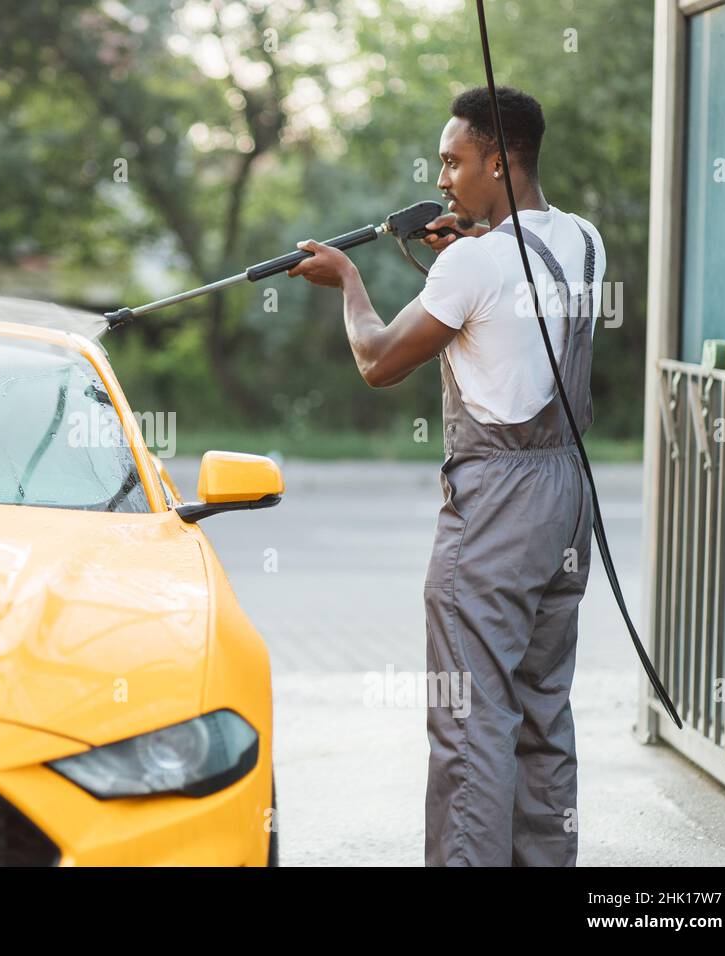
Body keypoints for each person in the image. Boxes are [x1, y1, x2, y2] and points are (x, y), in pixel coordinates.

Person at [287, 85, 606, 866]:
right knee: (539, 710)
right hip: (567, 492)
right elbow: (513, 315)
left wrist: (350, 284)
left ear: (499, 161)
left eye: (454, 161)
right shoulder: (583, 241)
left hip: (496, 505)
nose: (441, 179)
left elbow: (378, 360)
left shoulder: (477, 261)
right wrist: (462, 255)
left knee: (468, 718)